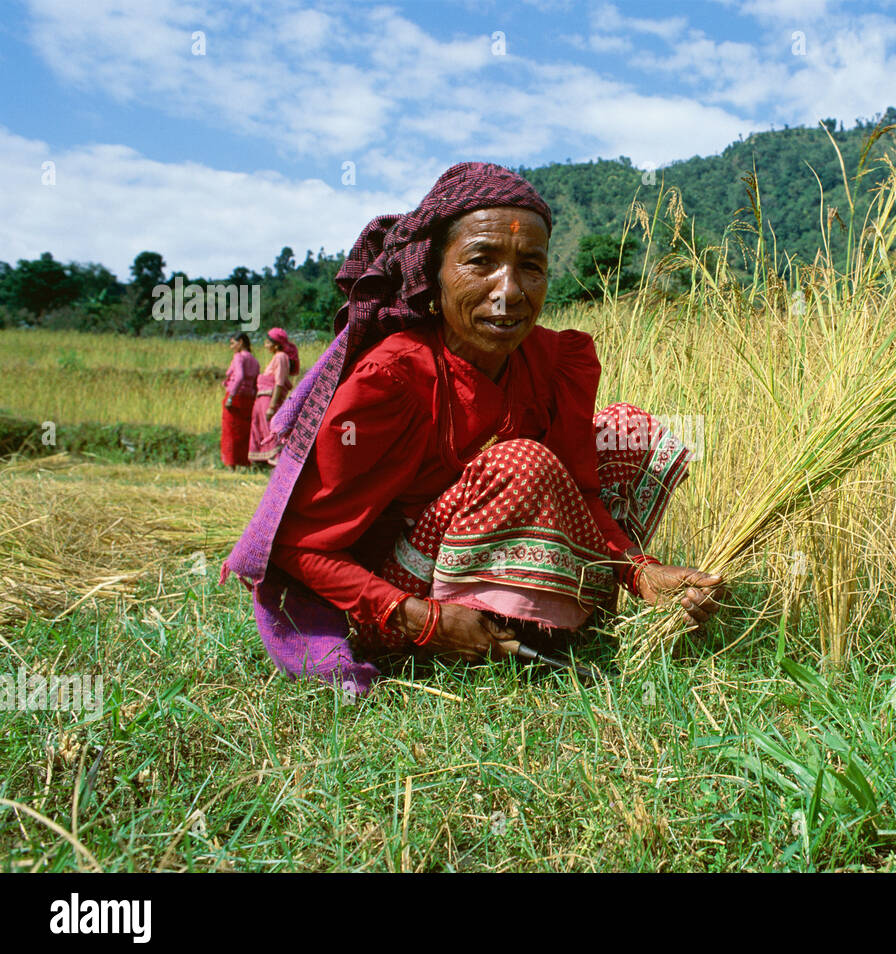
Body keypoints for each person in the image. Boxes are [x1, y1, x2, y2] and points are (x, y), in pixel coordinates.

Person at [222, 162, 722, 694]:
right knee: (520, 462)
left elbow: (582, 490)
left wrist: (642, 572)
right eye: (480, 262)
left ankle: (566, 608)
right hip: (393, 596)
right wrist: (420, 618)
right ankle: (492, 621)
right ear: (434, 274)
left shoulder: (554, 361)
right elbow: (299, 547)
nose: (509, 291)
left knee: (629, 431)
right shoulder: (391, 380)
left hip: (471, 545)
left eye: (531, 266)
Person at [247, 327, 298, 467]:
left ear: (276, 344)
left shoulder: (281, 357)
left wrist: (271, 406)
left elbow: (279, 383)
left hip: (269, 400)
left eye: (267, 342)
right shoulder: (276, 357)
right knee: (260, 429)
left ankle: (277, 463)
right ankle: (261, 462)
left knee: (270, 430)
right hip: (262, 399)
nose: (265, 345)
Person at [220, 333, 259, 468]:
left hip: (236, 397)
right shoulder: (254, 360)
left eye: (233, 343)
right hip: (249, 398)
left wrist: (231, 396)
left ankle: (231, 462)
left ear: (241, 342)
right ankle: (244, 461)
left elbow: (240, 376)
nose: (231, 347)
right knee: (244, 431)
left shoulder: (238, 357)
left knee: (230, 430)